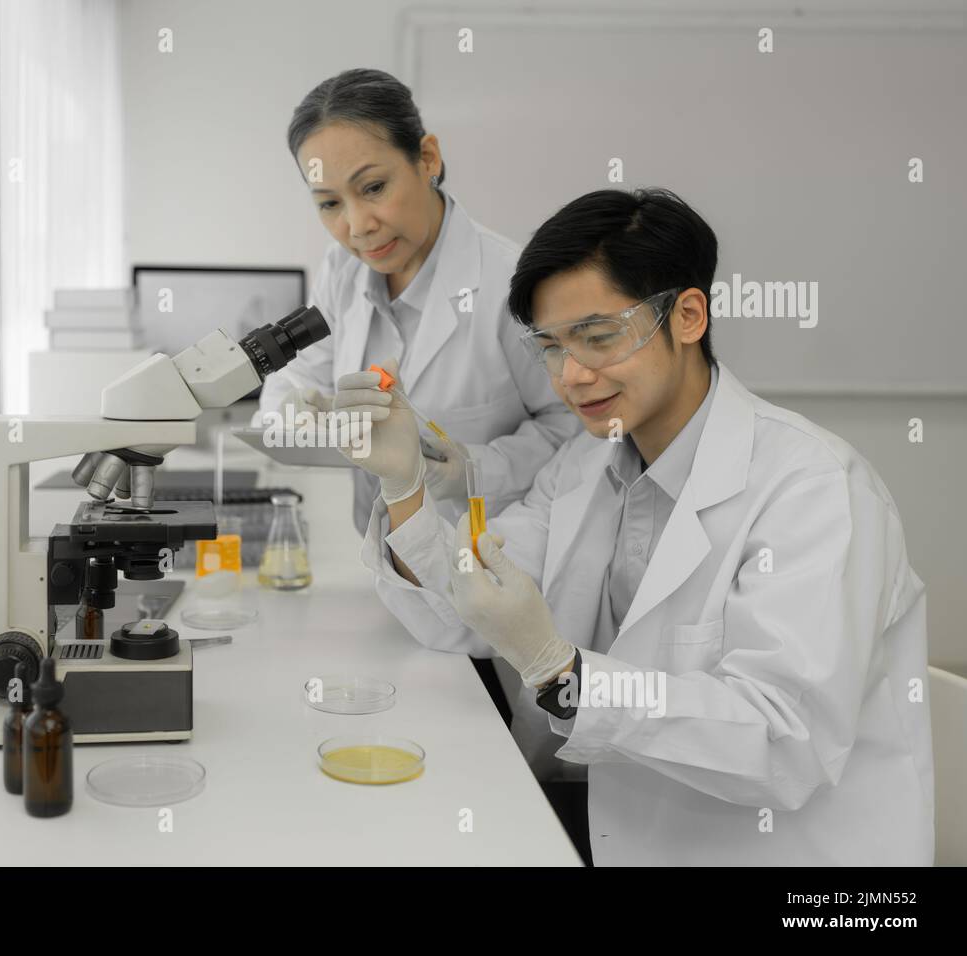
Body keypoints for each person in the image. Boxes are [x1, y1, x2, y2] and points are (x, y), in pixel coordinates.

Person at [336, 187, 934, 866]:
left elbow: (784, 742)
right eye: (550, 348)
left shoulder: (817, 489)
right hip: (612, 821)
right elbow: (463, 614)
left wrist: (563, 674)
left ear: (686, 315)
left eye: (597, 337)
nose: (572, 377)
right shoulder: (584, 463)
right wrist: (402, 484)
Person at [255, 68, 578, 533]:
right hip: (380, 557)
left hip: (492, 559)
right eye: (329, 203)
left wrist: (470, 469)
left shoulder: (511, 282)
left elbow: (569, 426)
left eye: (373, 188)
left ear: (427, 159)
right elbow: (298, 379)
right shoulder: (341, 270)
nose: (358, 225)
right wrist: (295, 413)